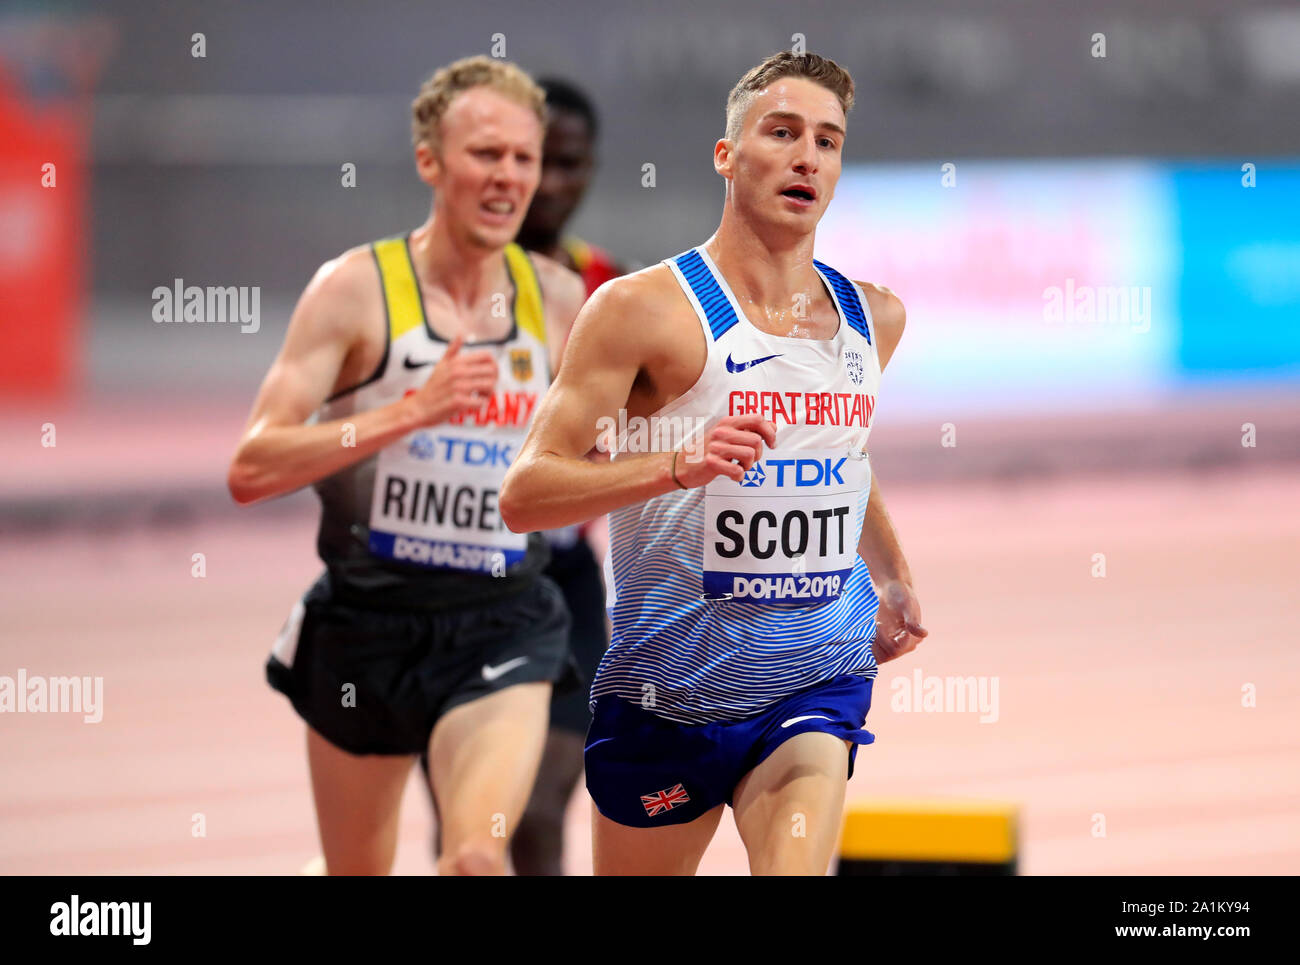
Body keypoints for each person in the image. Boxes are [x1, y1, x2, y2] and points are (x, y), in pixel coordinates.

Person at [500, 51, 928, 876]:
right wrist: (673, 466)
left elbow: (844, 455)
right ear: (727, 155)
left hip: (814, 677)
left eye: (829, 141)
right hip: (667, 692)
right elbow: (526, 493)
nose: (808, 156)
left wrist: (893, 570)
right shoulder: (639, 310)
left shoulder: (874, 317)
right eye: (783, 132)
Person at [227, 55, 585, 876]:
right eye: (484, 154)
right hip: (366, 628)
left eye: (522, 158)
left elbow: (612, 441)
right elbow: (252, 466)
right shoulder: (354, 290)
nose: (508, 177)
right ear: (431, 162)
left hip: (504, 621)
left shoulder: (559, 301)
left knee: (475, 856)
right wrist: (407, 413)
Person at [511, 77, 625, 876]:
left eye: (569, 163)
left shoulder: (610, 288)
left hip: (566, 579)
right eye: (533, 161)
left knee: (544, 802)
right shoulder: (440, 284)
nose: (549, 183)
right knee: (474, 828)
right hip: (447, 579)